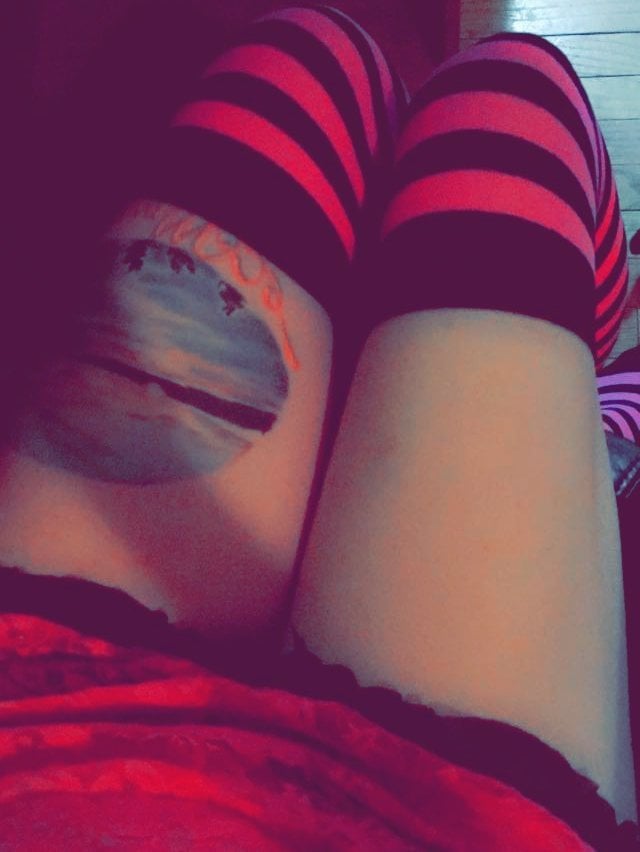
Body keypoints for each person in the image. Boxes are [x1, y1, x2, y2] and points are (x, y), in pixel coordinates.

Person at [1, 4, 639, 848]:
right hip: (427, 812)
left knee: (317, 52)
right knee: (514, 91)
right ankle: (597, 391)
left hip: (42, 709)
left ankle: (576, 394)